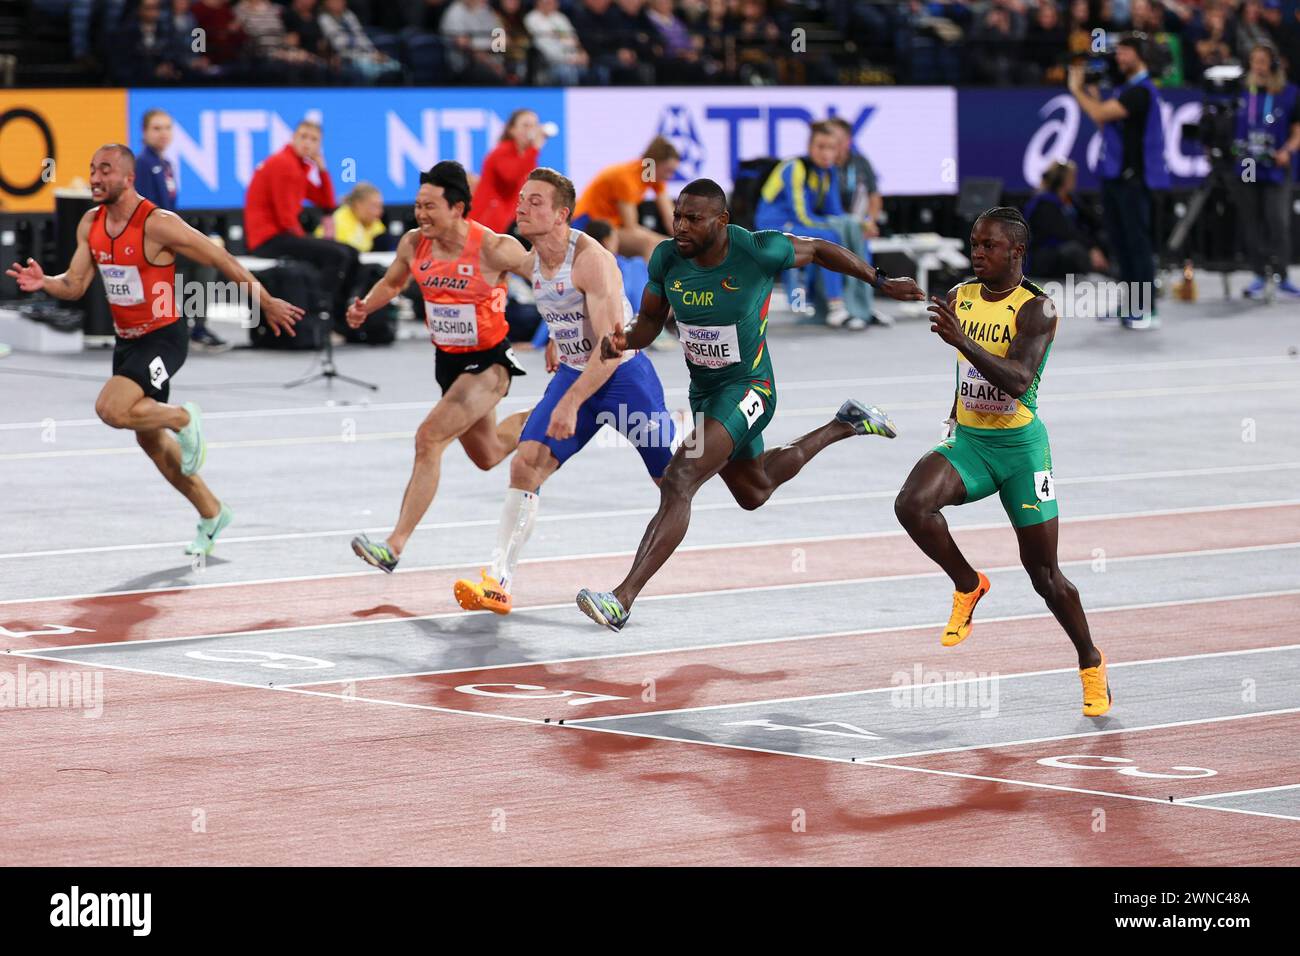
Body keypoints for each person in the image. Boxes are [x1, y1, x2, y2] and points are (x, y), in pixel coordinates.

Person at [574, 179, 925, 631]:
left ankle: (622, 598)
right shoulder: (666, 257)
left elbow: (818, 249)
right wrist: (623, 341)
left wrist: (879, 280)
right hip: (705, 392)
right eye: (678, 215)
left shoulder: (759, 250)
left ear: (722, 222)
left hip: (750, 386)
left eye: (693, 218)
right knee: (753, 492)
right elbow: (650, 325)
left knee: (680, 476)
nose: (679, 225)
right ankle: (845, 423)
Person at [5, 144, 302, 556]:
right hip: (126, 342)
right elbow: (74, 284)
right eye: (92, 169)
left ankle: (184, 417)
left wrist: (264, 300)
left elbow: (220, 258)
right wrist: (46, 283)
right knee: (152, 443)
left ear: (129, 178)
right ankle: (212, 512)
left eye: (105, 170)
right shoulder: (91, 223)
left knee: (110, 409)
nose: (94, 177)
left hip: (164, 337)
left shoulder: (158, 223)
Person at [893, 207, 1110, 717]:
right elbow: (963, 374)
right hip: (971, 441)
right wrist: (951, 417)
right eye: (974, 244)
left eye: (989, 246)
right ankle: (969, 583)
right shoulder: (959, 298)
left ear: (1017, 252)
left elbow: (1015, 379)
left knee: (1044, 575)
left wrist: (961, 340)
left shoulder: (1038, 309)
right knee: (912, 505)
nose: (977, 254)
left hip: (1021, 453)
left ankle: (1090, 661)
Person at [454, 169, 675, 613]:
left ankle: (745, 466)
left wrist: (572, 402)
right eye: (521, 199)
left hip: (625, 379)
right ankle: (498, 581)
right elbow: (563, 305)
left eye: (535, 202)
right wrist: (559, 337)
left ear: (561, 215)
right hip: (575, 372)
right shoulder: (527, 257)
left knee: (672, 482)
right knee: (526, 464)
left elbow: (611, 349)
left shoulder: (592, 260)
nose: (522, 207)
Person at [345, 162, 532, 572]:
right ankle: (546, 416)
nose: (421, 214)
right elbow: (394, 283)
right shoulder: (415, 244)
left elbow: (549, 280)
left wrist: (559, 334)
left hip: (489, 364)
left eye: (430, 206)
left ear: (458, 208)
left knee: (428, 439)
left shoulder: (494, 247)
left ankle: (393, 546)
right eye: (417, 205)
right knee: (489, 454)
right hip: (447, 363)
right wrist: (365, 306)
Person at [1069, 33, 1170, 329]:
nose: (1119, 57)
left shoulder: (1141, 91)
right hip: (1114, 175)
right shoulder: (1125, 89)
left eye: (1125, 52)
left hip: (1133, 178)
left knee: (1137, 245)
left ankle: (1147, 309)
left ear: (1140, 55)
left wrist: (1076, 90)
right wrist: (1091, 91)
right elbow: (1104, 119)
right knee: (1121, 244)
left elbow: (1100, 112)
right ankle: (1130, 303)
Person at [244, 118, 359, 330]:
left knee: (350, 253)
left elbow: (325, 202)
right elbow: (284, 216)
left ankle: (338, 315)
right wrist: (305, 240)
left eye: (313, 140)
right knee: (339, 254)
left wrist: (322, 169)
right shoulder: (284, 164)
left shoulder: (297, 166)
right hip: (270, 239)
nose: (307, 143)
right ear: (293, 138)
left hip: (280, 235)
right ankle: (321, 313)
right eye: (303, 137)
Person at [755, 120, 867, 329]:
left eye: (831, 148)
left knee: (853, 234)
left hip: (799, 227)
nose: (826, 153)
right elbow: (801, 216)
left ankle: (860, 305)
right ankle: (836, 307)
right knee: (829, 238)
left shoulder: (828, 172)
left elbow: (836, 213)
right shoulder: (794, 167)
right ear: (810, 147)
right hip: (773, 227)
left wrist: (859, 225)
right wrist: (834, 225)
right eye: (820, 147)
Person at [135, 108, 230, 352]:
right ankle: (195, 328)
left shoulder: (165, 164)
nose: (163, 134)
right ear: (144, 133)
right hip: (151, 245)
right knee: (207, 260)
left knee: (205, 257)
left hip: (166, 239)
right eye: (156, 128)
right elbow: (148, 215)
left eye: (167, 128)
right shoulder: (143, 165)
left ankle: (191, 325)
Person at [1234, 42, 1300, 298]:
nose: (1258, 67)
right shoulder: (1243, 92)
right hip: (1249, 162)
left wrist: (1288, 150)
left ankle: (1282, 273)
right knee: (1252, 219)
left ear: (1273, 64)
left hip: (1275, 162)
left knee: (1277, 219)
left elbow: (1298, 129)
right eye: (1254, 61)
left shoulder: (1289, 93)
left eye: (1262, 61)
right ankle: (1259, 273)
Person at [572, 136, 679, 260]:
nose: (669, 176)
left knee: (669, 245)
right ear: (653, 164)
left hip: (610, 226)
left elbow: (669, 217)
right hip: (587, 225)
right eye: (668, 171)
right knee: (651, 244)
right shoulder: (626, 179)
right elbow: (631, 227)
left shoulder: (652, 175)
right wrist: (668, 242)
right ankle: (652, 279)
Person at [1023, 159, 1109, 279]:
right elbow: (1066, 233)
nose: (1074, 180)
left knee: (1104, 238)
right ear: (1062, 180)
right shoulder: (1044, 204)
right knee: (1074, 251)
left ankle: (1114, 270)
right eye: (1071, 177)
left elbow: (1094, 222)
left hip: (1064, 249)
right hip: (1043, 256)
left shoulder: (1071, 201)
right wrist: (1091, 249)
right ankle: (1103, 274)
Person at [471, 109, 547, 235]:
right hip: (488, 221)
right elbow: (511, 176)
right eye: (525, 125)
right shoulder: (502, 152)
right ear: (512, 130)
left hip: (507, 219)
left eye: (534, 126)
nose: (531, 130)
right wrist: (534, 150)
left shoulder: (526, 156)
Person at [316, 182, 391, 253]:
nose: (380, 211)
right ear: (358, 205)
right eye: (374, 206)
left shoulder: (374, 222)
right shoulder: (339, 222)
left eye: (380, 206)